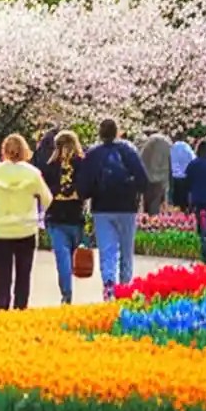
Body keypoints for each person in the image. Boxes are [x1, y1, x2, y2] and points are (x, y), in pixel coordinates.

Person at [77, 119, 149, 301]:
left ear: (100, 134)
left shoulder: (93, 154)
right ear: (117, 132)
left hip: (102, 208)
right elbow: (143, 179)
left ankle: (109, 284)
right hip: (127, 207)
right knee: (126, 249)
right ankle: (125, 286)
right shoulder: (129, 151)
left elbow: (83, 186)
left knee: (107, 250)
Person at [0, 134, 52, 311]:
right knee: (24, 275)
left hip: (0, 229)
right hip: (26, 229)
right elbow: (47, 199)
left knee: (2, 275)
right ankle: (20, 309)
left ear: (4, 150)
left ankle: (1, 308)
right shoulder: (32, 173)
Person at [41, 130, 85, 305]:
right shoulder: (82, 163)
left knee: (63, 258)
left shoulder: (50, 165)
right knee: (73, 254)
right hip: (76, 216)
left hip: (56, 216)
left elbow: (45, 191)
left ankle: (66, 293)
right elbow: (87, 188)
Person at [138, 130, 172, 215]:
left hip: (147, 178)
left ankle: (146, 224)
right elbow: (168, 165)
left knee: (146, 206)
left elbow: (141, 160)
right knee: (155, 208)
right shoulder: (166, 144)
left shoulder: (148, 144)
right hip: (159, 180)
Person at [170, 134, 194, 211]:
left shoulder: (172, 147)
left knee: (175, 201)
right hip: (185, 176)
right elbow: (193, 159)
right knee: (184, 201)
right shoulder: (187, 147)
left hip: (174, 177)